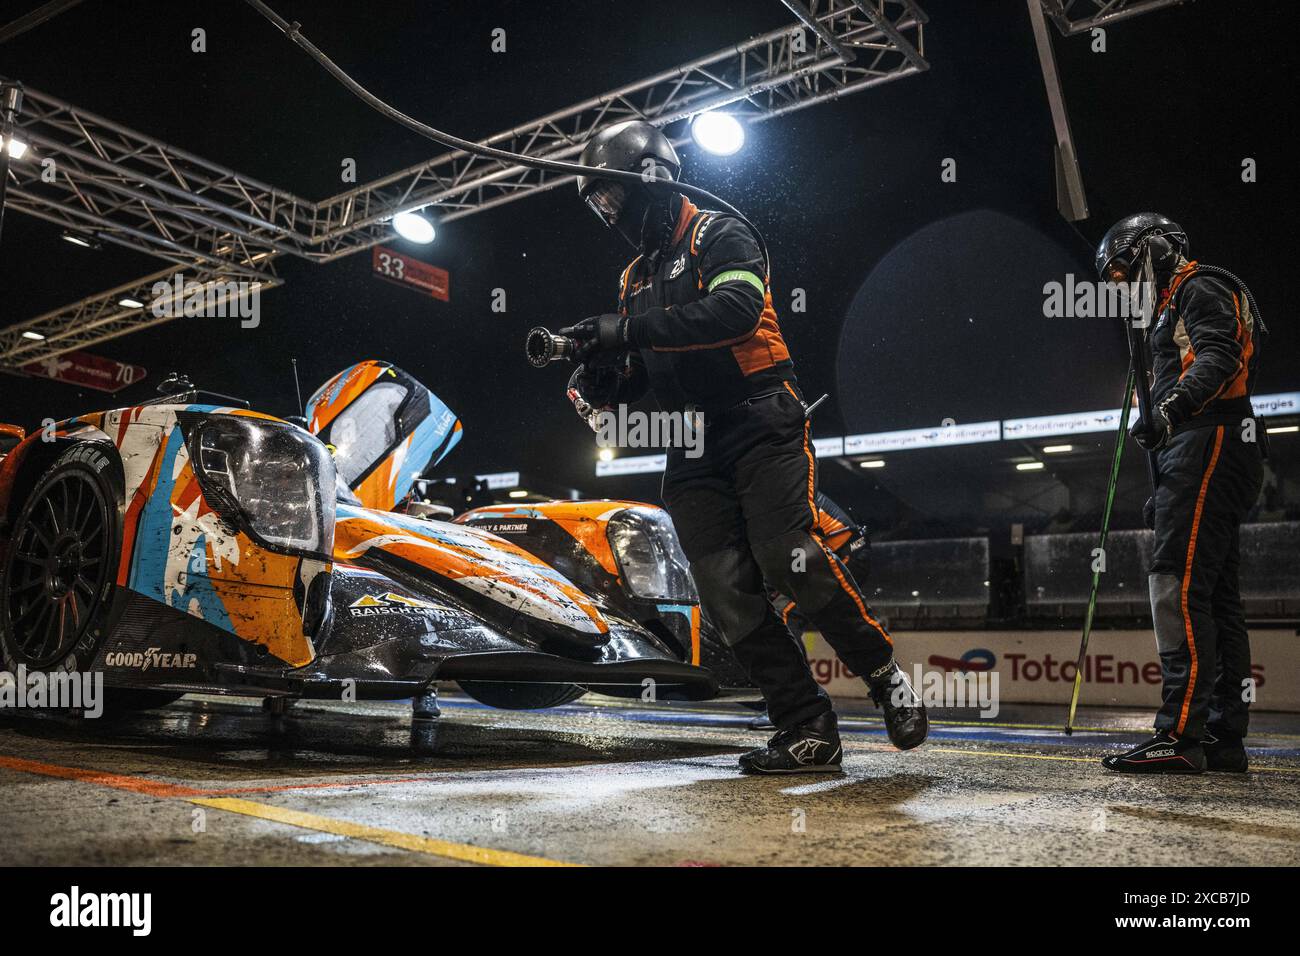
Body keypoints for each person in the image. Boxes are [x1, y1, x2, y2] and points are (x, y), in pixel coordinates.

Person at [561, 120, 926, 774]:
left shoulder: (720, 234)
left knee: (787, 557)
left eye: (613, 199)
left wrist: (622, 330)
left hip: (760, 420)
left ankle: (883, 674)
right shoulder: (633, 278)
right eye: (599, 206)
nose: (610, 216)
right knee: (725, 589)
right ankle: (805, 727)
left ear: (651, 181)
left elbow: (732, 313)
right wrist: (603, 377)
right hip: (691, 441)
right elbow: (644, 364)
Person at [1094, 213, 1265, 774]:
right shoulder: (1170, 303)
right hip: (1197, 446)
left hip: (1209, 437)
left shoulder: (1200, 285)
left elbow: (1221, 356)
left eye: (1124, 269)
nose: (1123, 284)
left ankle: (1178, 734)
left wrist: (1168, 411)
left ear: (1156, 248)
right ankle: (1222, 738)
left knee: (1174, 581)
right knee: (1216, 597)